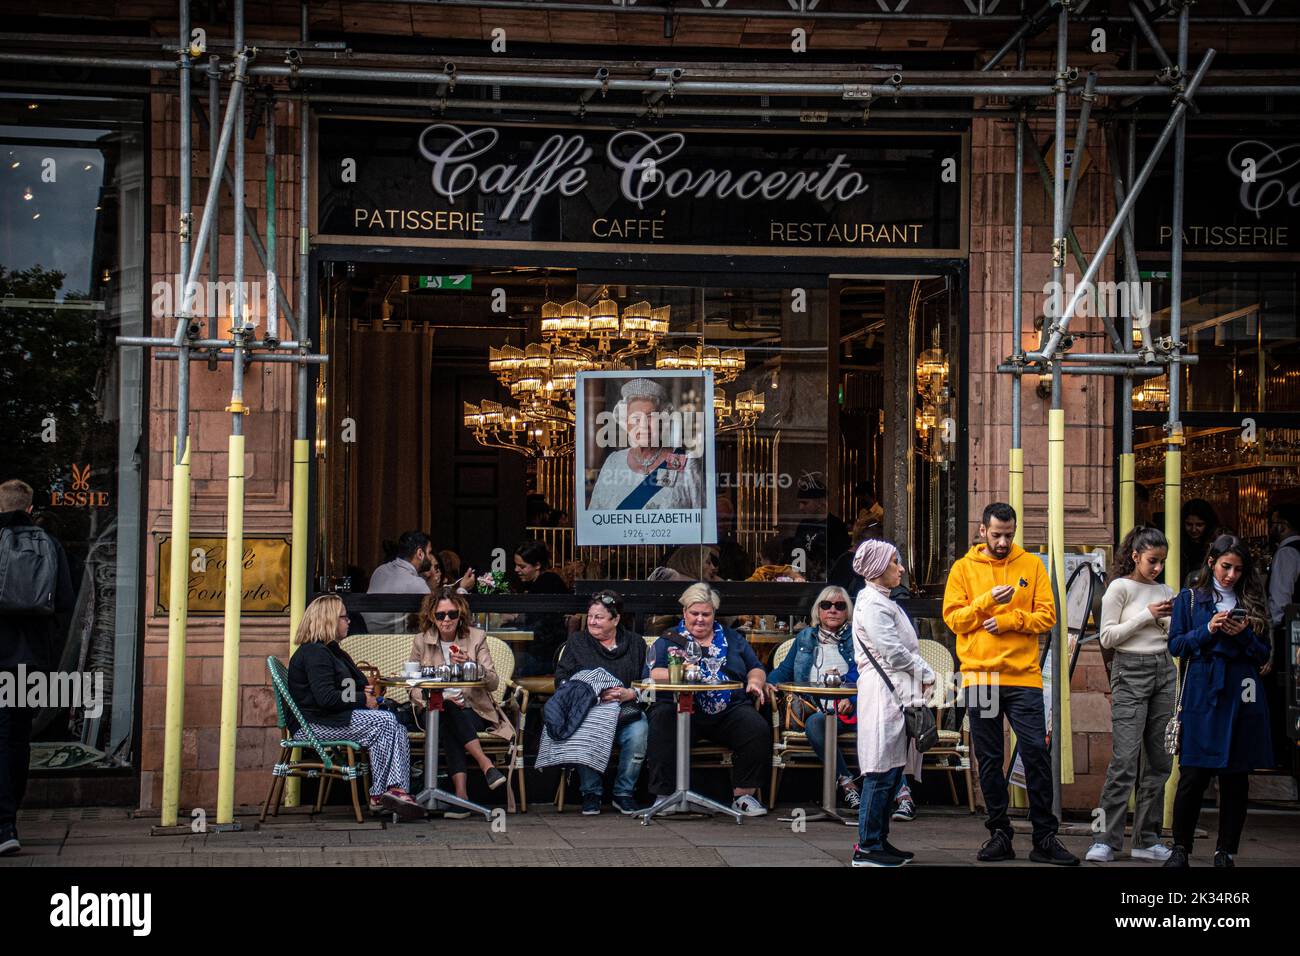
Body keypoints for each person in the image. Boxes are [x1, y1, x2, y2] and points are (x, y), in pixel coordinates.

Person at [941, 502, 1078, 865]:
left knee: (1035, 752)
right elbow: (954, 619)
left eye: (1009, 534)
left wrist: (1011, 620)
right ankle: (999, 832)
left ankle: (1044, 838)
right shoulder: (963, 568)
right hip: (981, 675)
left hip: (1023, 678)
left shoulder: (1031, 564)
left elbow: (1047, 616)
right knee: (989, 759)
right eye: (997, 534)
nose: (1003, 542)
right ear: (983, 530)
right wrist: (986, 603)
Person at [1165, 535, 1273, 868]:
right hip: (1202, 690)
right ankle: (1180, 848)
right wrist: (1209, 629)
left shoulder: (1251, 600)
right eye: (1226, 567)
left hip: (1241, 691)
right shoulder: (1189, 599)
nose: (1231, 575)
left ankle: (1225, 851)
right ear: (1212, 562)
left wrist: (1242, 634)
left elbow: (1263, 655)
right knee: (1193, 774)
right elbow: (1177, 646)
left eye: (1238, 569)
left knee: (1235, 777)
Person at [1085, 526, 1177, 863]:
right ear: (1136, 556)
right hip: (1131, 669)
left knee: (1160, 759)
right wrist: (1148, 615)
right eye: (1152, 561)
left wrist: (1169, 622)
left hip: (1164, 669)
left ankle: (1147, 837)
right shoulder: (1119, 588)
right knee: (1125, 759)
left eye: (1162, 562)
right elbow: (1108, 637)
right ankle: (1105, 839)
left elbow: (1170, 636)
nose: (1157, 568)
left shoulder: (1165, 589)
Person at [286, 594, 423, 818]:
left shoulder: (332, 651)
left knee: (395, 725)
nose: (348, 620)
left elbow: (353, 684)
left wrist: (365, 693)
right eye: (343, 617)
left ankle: (392, 792)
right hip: (313, 723)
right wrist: (362, 699)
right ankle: (386, 792)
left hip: (332, 718)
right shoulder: (315, 653)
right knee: (387, 721)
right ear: (328, 620)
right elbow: (326, 698)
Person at [645, 583, 771, 817]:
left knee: (755, 727)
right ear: (684, 613)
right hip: (682, 707)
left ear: (714, 614)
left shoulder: (732, 638)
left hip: (727, 709)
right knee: (662, 720)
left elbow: (756, 667)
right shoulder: (669, 639)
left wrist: (755, 681)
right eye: (695, 613)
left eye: (706, 614)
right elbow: (652, 673)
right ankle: (664, 796)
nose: (700, 619)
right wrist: (682, 671)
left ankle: (743, 796)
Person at [0, 479, 75, 856]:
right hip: (28, 663)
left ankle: (3, 826)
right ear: (30, 508)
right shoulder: (48, 543)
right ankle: (8, 822)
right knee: (16, 738)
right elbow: (64, 602)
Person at [850, 540, 934, 867]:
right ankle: (868, 847)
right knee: (879, 770)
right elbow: (894, 651)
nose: (900, 568)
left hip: (894, 694)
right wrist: (926, 673)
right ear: (876, 569)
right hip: (883, 695)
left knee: (892, 767)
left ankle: (880, 840)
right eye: (894, 562)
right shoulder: (872, 604)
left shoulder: (883, 600)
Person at [408, 587, 511, 815]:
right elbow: (413, 686)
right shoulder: (421, 641)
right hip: (433, 709)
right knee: (446, 710)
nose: (447, 620)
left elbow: (493, 682)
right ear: (431, 617)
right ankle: (485, 766)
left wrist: (472, 666)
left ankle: (461, 796)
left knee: (450, 719)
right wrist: (434, 700)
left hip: (473, 710)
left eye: (452, 614)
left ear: (460, 615)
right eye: (440, 615)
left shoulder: (476, 638)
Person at [554, 590, 649, 815]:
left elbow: (649, 681)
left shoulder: (636, 644)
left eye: (599, 617)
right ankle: (591, 792)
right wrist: (592, 694)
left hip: (626, 710)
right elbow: (561, 680)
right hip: (590, 711)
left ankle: (623, 793)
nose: (593, 622)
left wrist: (630, 693)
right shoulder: (577, 642)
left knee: (639, 731)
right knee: (580, 729)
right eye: (591, 617)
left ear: (615, 619)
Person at [767, 586, 862, 808]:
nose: (832, 610)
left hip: (851, 712)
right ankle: (847, 783)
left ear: (847, 611)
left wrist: (853, 699)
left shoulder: (857, 638)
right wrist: (767, 683)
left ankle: (900, 794)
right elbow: (785, 670)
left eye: (839, 606)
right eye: (826, 605)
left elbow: (868, 673)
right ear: (818, 610)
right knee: (817, 722)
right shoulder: (804, 638)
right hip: (814, 711)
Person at [587, 377, 706, 512]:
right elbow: (595, 518)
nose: (644, 426)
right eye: (636, 418)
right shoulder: (613, 462)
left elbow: (702, 519)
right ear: (626, 422)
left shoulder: (686, 462)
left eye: (651, 417)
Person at [513, 540, 570, 676]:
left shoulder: (547, 584)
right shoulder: (539, 583)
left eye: (522, 566)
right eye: (516, 565)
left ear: (537, 565)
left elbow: (539, 624)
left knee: (507, 666)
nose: (516, 570)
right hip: (542, 653)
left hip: (545, 658)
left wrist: (515, 617)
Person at [793, 471, 849, 580]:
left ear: (820, 502)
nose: (800, 507)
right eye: (799, 503)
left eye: (805, 503)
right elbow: (795, 557)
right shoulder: (803, 526)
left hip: (827, 583)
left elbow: (839, 562)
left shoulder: (836, 526)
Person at [1180, 499, 1220, 588]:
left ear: (1208, 524)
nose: (1194, 529)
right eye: (1189, 524)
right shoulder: (1178, 544)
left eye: (1199, 525)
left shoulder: (1215, 545)